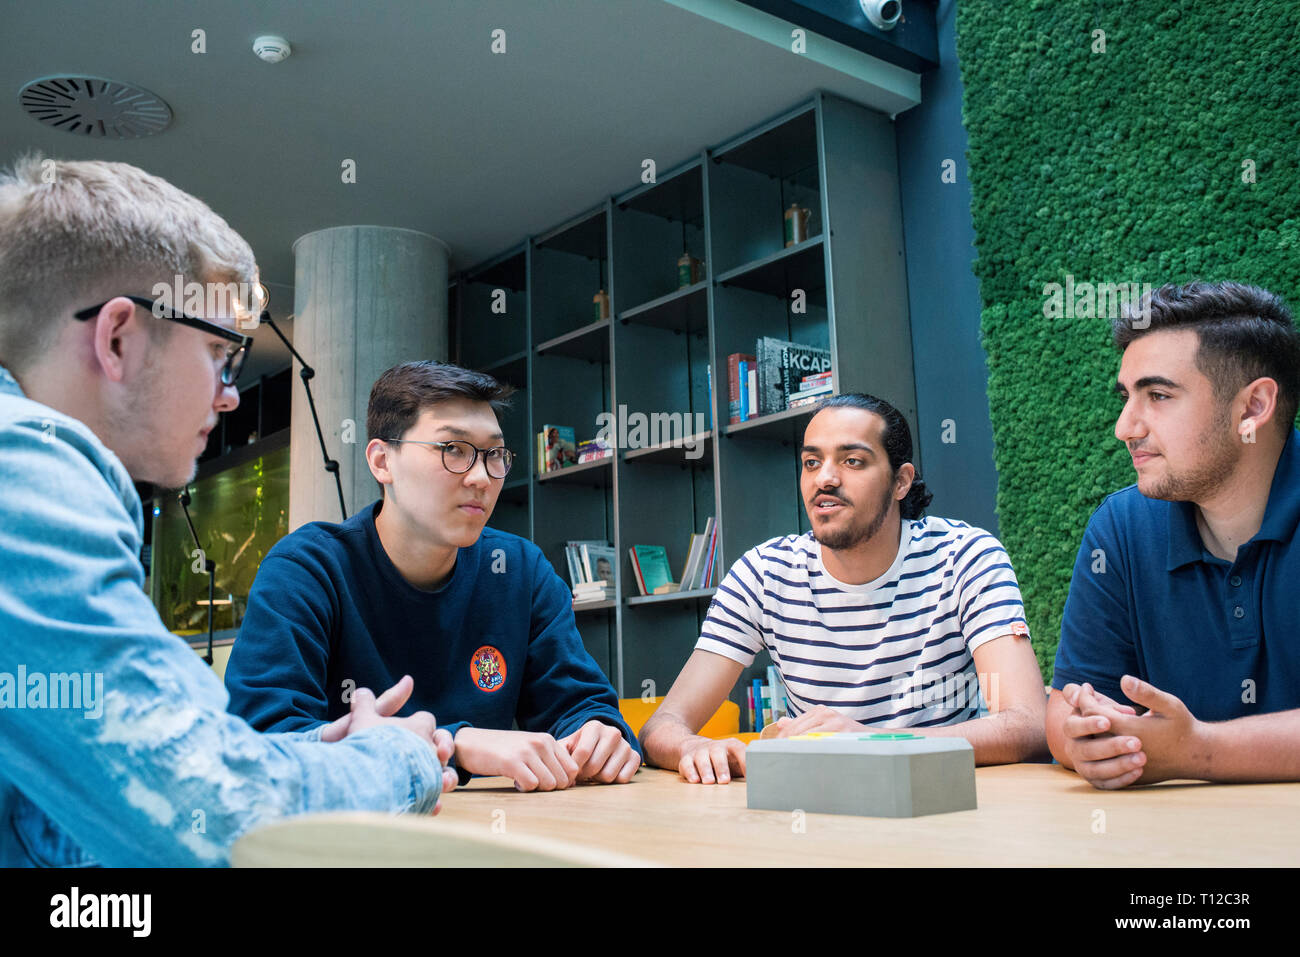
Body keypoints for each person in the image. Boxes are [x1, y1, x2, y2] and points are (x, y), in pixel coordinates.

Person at [0, 155, 456, 867]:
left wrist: (291, 756)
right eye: (220, 353)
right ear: (117, 337)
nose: (230, 395)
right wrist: (397, 759)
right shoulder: (22, 475)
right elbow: (218, 821)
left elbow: (54, 817)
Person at [225, 361, 641, 792]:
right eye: (453, 450)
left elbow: (578, 703)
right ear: (382, 460)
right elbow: (261, 740)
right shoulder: (308, 571)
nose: (481, 477)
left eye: (494, 455)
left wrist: (597, 732)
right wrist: (454, 743)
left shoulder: (520, 570)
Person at [640, 393, 1048, 783]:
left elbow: (1028, 724)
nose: (826, 479)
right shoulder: (763, 573)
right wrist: (693, 748)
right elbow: (662, 726)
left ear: (901, 481)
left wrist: (875, 743)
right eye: (812, 462)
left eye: (853, 461)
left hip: (939, 804)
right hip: (819, 809)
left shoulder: (965, 557)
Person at [1047, 280, 1300, 789]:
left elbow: (1192, 751)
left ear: (1253, 409)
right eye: (1127, 397)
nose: (1125, 426)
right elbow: (1063, 709)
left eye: (1158, 395)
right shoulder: (1120, 528)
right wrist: (1086, 736)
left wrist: (1200, 751)